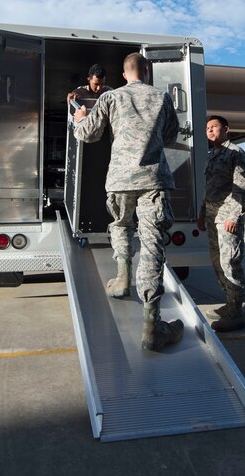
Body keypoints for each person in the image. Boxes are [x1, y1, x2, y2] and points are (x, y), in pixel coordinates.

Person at [72, 52, 183, 352]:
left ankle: (122, 280)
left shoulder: (111, 97)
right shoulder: (162, 97)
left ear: (124, 74)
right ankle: (152, 327)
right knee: (152, 243)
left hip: (120, 179)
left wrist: (78, 119)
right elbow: (170, 137)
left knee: (120, 225)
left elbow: (88, 134)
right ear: (147, 71)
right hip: (153, 180)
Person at [196, 115, 245, 332]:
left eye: (214, 127)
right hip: (212, 215)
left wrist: (234, 216)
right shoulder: (211, 155)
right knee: (217, 261)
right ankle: (229, 303)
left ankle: (236, 312)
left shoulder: (235, 154)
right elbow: (209, 188)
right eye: (207, 128)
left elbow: (242, 188)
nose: (210, 130)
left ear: (226, 129)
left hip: (228, 216)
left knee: (230, 262)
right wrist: (202, 213)